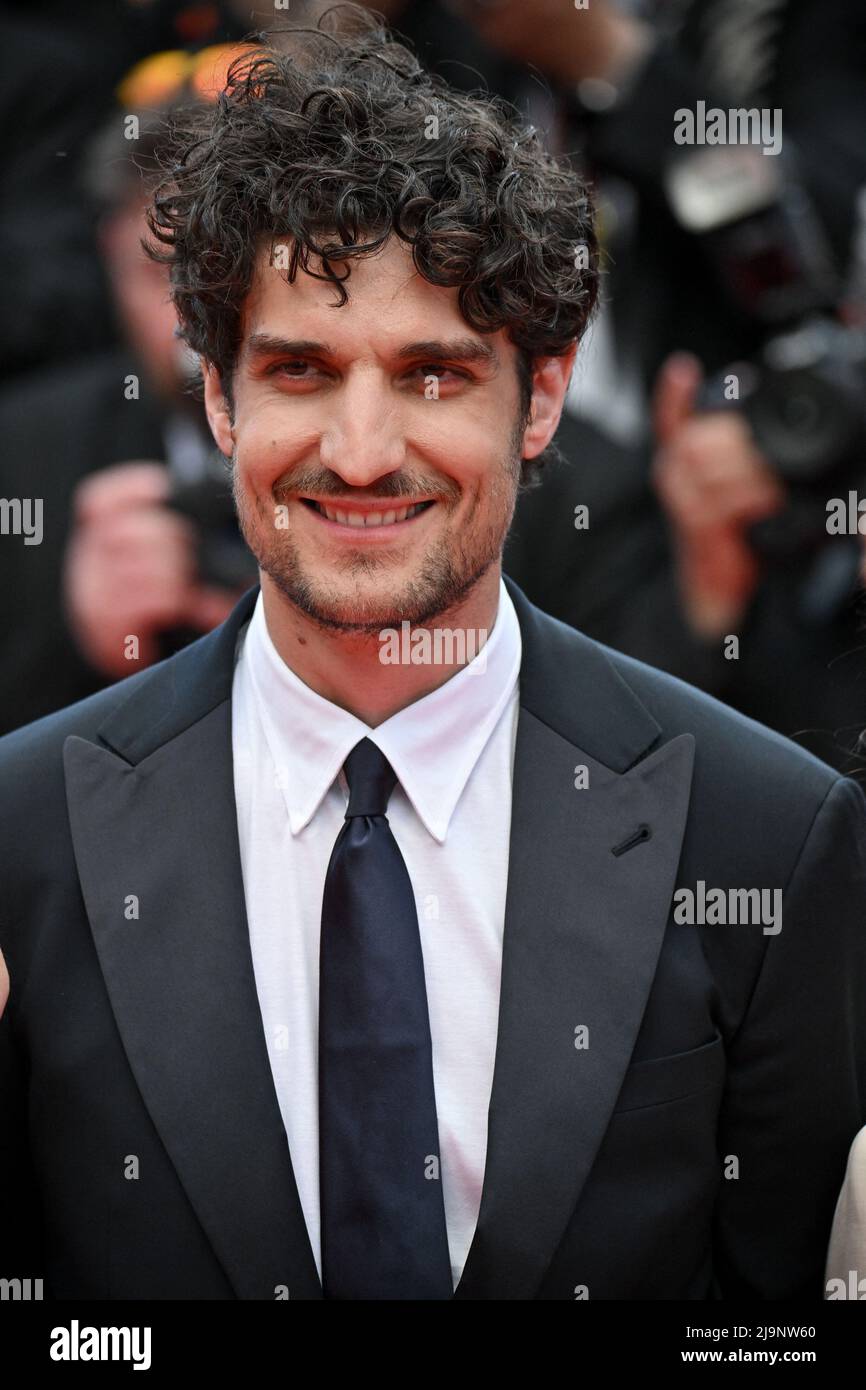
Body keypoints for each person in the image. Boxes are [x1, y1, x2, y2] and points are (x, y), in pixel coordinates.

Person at [2, 6, 866, 1302]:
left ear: (545, 394)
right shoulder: (23, 835)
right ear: (223, 395)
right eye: (298, 370)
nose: (359, 451)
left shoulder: (764, 836)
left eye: (432, 374)